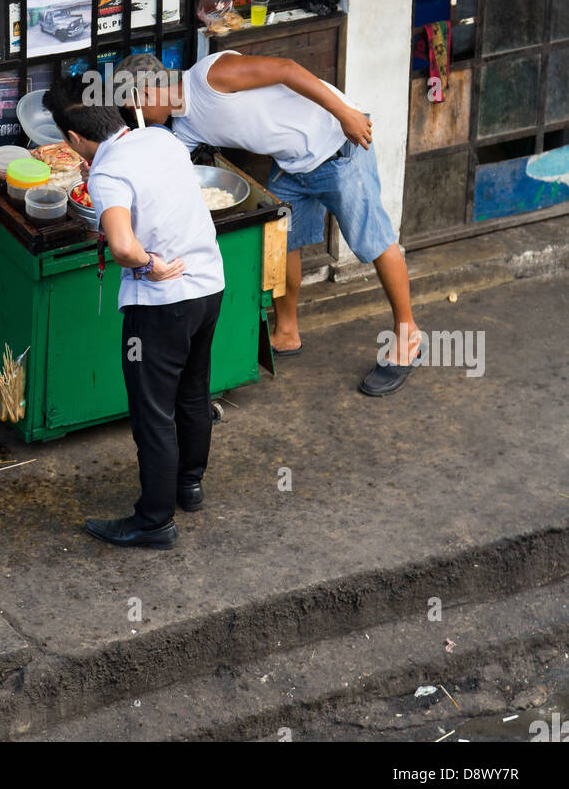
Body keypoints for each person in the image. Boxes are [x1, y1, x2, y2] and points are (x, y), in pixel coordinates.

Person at [110, 51, 421, 398]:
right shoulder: (183, 127)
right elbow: (165, 167)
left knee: (375, 242)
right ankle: (287, 331)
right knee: (280, 243)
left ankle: (407, 336)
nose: (138, 119)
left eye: (133, 110)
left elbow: (285, 69)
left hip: (338, 146)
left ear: (148, 95)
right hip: (291, 167)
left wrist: (345, 113)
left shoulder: (211, 77)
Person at [44, 79, 225, 549]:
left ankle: (155, 522)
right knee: (192, 391)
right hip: (209, 285)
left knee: (153, 413)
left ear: (73, 139)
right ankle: (188, 485)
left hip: (164, 302)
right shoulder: (160, 139)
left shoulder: (105, 175)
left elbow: (123, 246)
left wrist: (149, 264)